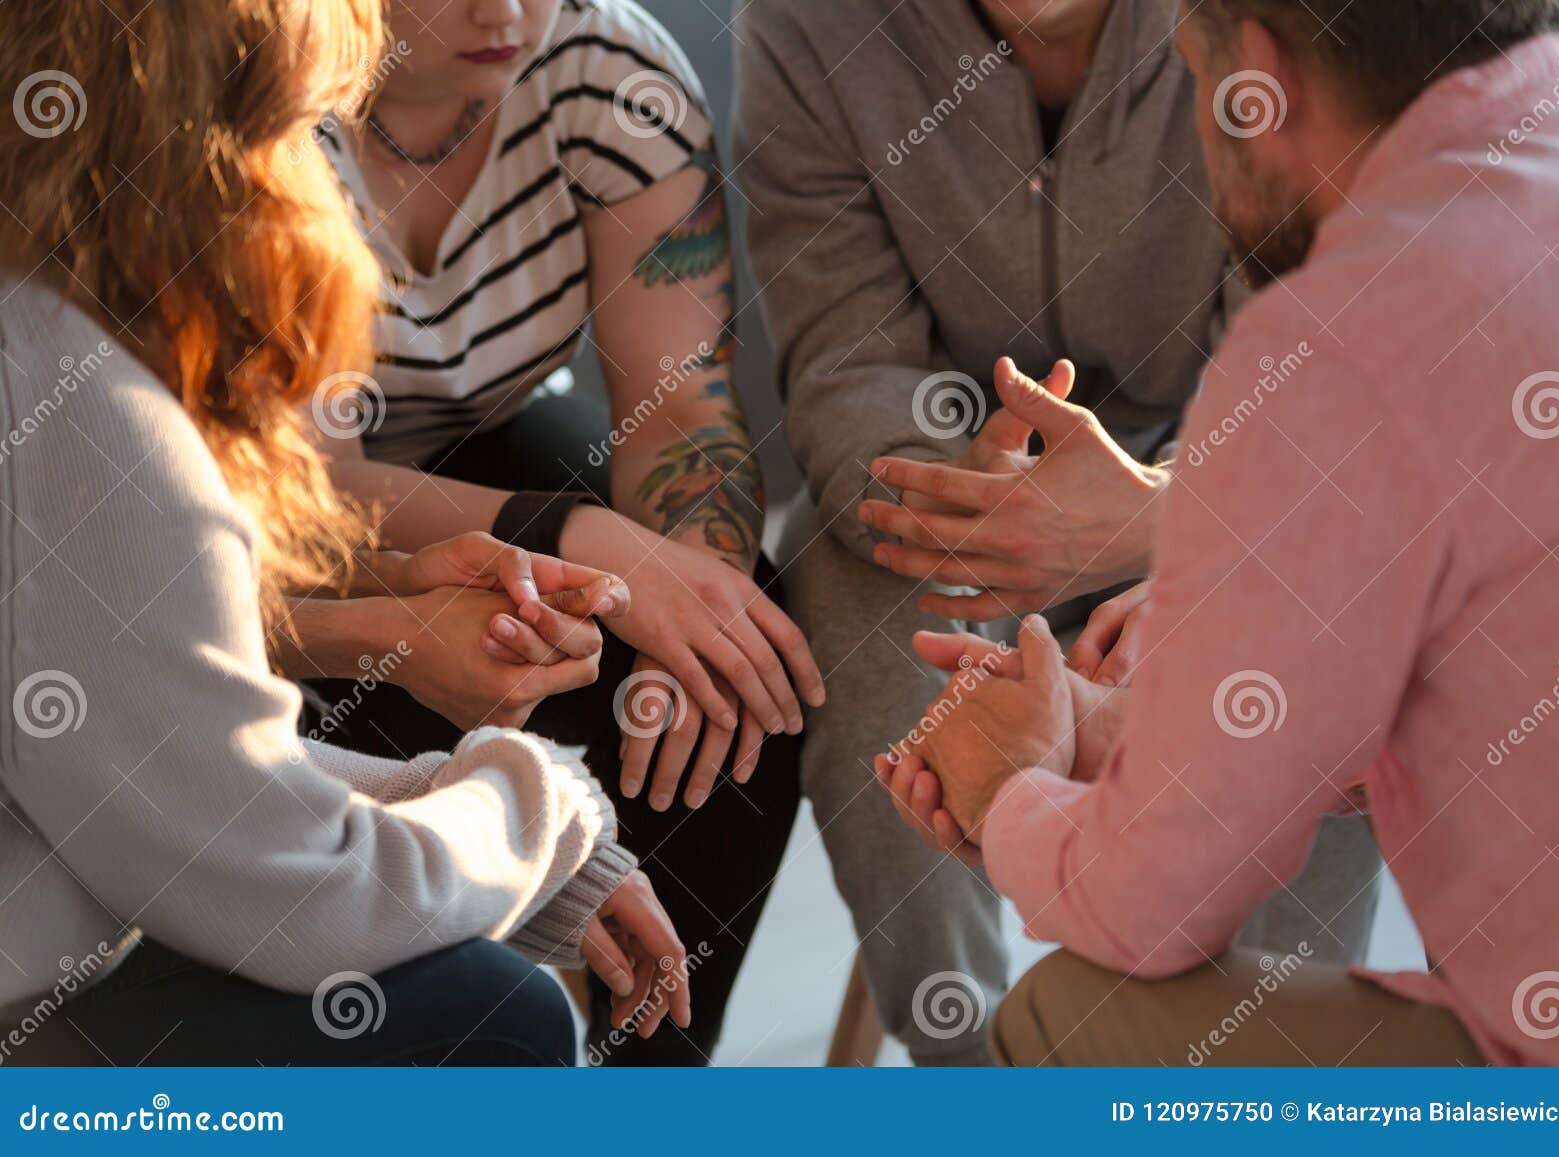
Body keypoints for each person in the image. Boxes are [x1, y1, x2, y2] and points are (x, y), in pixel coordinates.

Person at [881, 0, 1559, 1065]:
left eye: (1187, 76)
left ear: (1259, 69)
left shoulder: (1340, 341)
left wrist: (1010, 789)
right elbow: (1491, 648)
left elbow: (1153, 908)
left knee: (1064, 1011)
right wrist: (1137, 731)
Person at [0, 0, 686, 1066]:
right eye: (305, 133)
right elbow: (300, 895)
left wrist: (533, 844)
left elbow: (164, 768)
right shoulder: (84, 418)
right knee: (497, 1015)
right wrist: (540, 796)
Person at [734, 0, 1376, 1064]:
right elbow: (843, 352)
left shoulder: (1277, 23)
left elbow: (1299, 347)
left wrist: (1182, 520)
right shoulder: (804, 24)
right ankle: (975, 1070)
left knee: (1315, 600)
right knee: (850, 603)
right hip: (951, 480)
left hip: (1205, 470)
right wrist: (971, 501)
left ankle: (1285, 1074)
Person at [290, 0, 822, 1065]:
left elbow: (678, 406)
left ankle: (649, 1090)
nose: (508, 11)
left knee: (730, 666)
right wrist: (582, 534)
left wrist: (692, 609)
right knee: (370, 706)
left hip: (493, 437)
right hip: (279, 503)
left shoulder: (608, 71)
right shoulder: (269, 100)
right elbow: (294, 482)